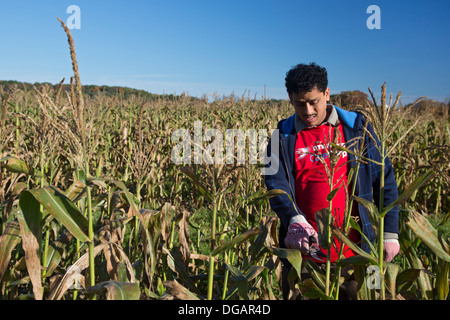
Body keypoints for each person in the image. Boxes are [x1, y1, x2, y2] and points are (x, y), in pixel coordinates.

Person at [264, 62, 400, 299]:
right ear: (290, 98)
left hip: (357, 253)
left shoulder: (358, 129)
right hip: (305, 256)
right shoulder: (282, 137)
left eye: (313, 101)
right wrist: (293, 219)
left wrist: (390, 234)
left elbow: (384, 180)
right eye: (300, 103)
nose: (308, 110)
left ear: (326, 94)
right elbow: (276, 183)